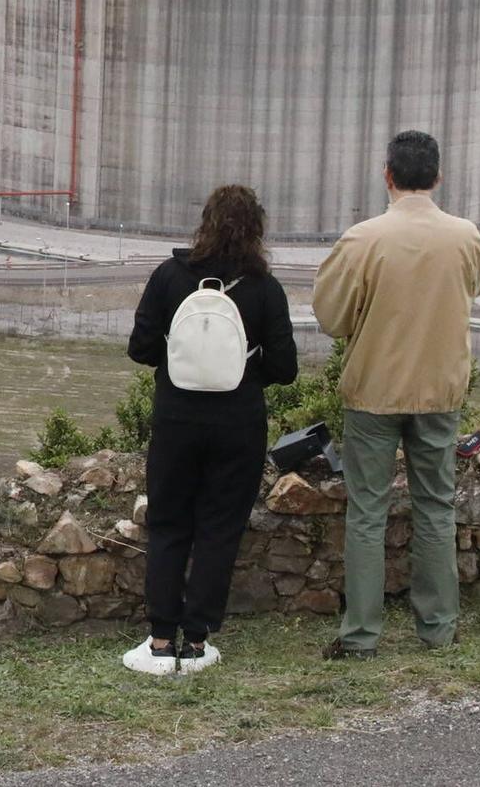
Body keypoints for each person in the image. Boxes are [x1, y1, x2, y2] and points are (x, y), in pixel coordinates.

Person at [313, 130, 480, 659]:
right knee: (436, 507)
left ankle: (361, 636)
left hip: (375, 391)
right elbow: (477, 284)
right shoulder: (465, 236)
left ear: (387, 175)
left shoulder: (363, 239)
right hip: (440, 391)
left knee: (367, 512)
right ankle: (438, 628)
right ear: (437, 177)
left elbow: (331, 316)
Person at [123, 184, 298, 676]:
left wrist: (176, 366)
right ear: (258, 231)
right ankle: (197, 644)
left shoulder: (169, 276)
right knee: (220, 529)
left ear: (204, 222)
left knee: (169, 523)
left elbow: (139, 347)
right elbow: (285, 368)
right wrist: (244, 372)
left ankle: (159, 642)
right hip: (238, 421)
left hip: (177, 417)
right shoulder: (265, 288)